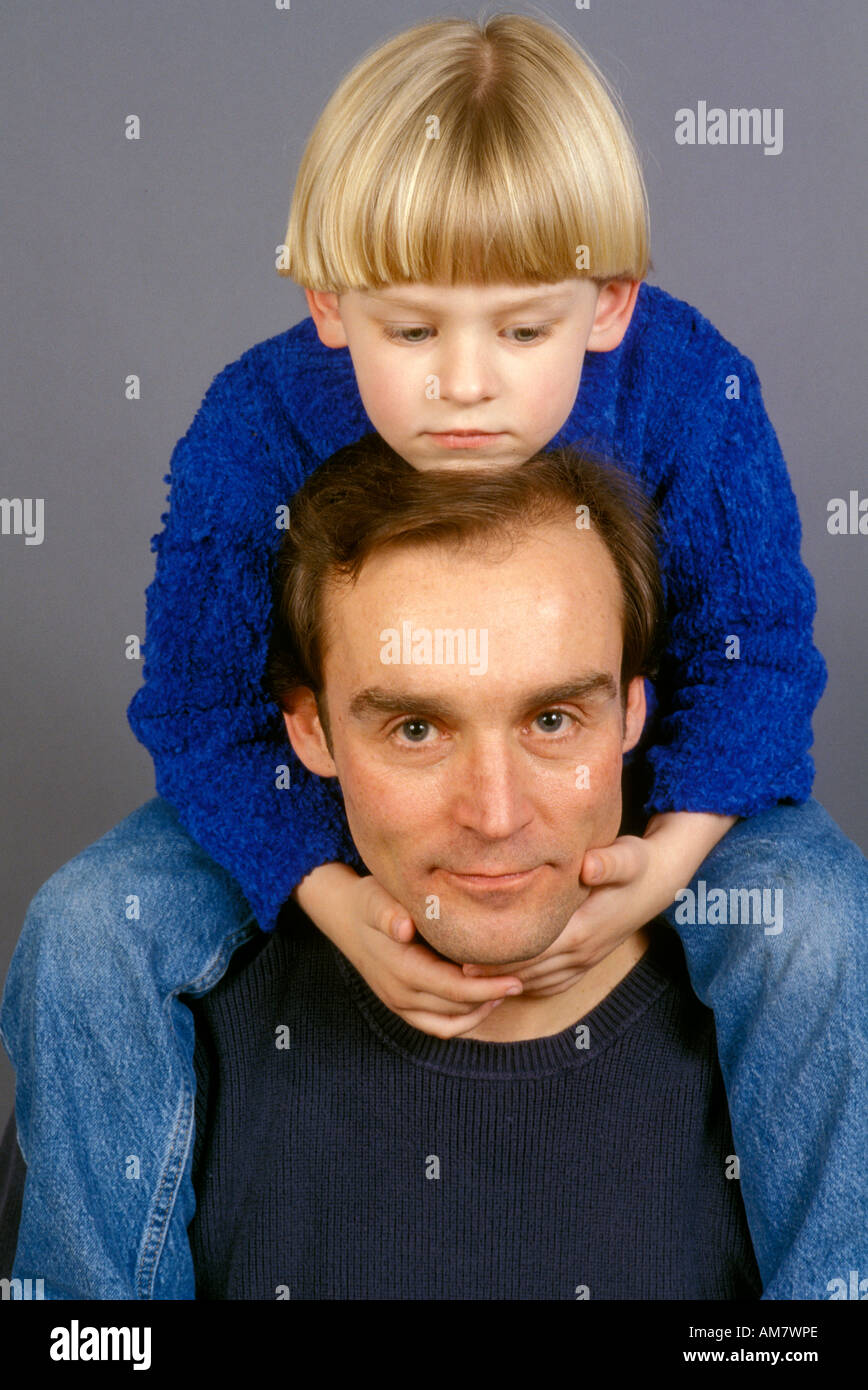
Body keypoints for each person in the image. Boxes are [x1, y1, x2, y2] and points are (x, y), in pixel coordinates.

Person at [1, 13, 865, 1301]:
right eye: (413, 332)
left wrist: (658, 871)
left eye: (523, 332)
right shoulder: (256, 422)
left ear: (609, 301)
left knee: (812, 926)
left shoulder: (696, 392)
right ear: (330, 303)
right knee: (80, 930)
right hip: (304, 792)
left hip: (658, 783)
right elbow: (196, 706)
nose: (467, 384)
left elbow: (757, 668)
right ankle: (95, 1323)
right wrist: (325, 890)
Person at [2, 441, 764, 1299]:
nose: (496, 813)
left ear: (631, 712)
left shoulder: (795, 1034)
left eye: (553, 719)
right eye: (415, 730)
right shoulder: (142, 1030)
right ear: (312, 732)